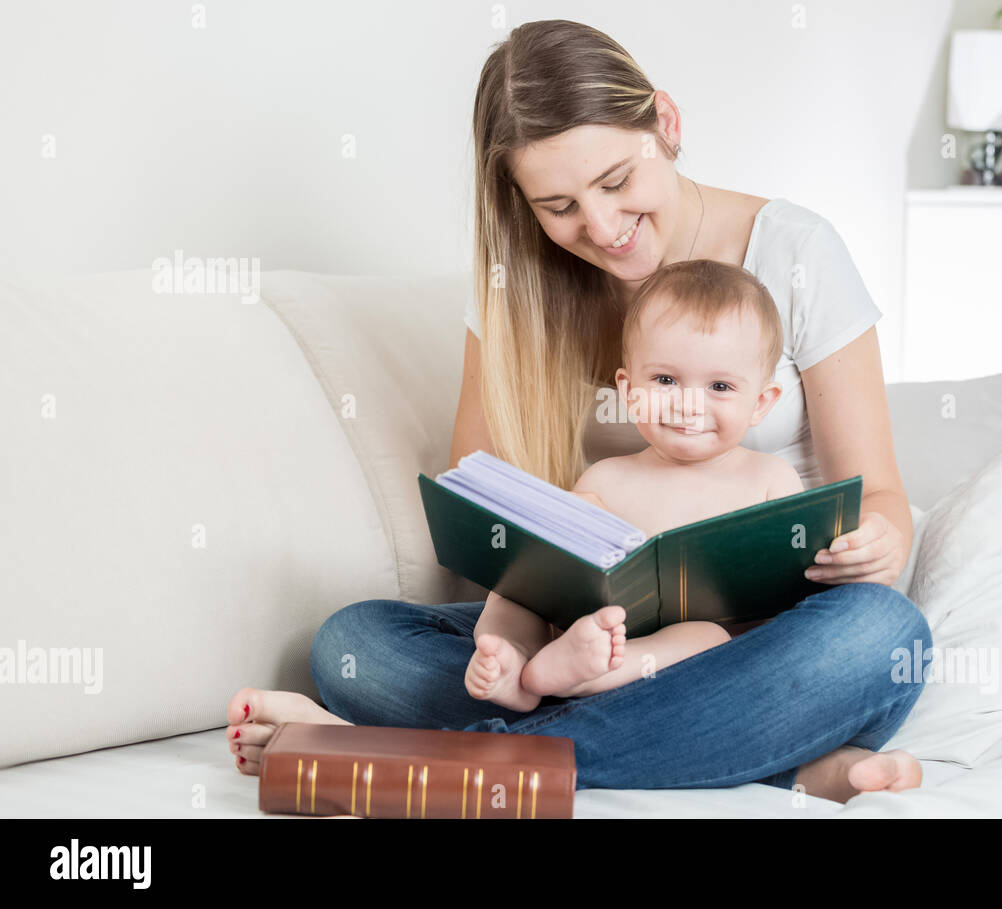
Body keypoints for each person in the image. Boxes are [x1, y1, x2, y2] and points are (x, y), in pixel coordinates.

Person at [226, 19, 932, 803]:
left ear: (664, 124)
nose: (600, 228)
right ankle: (779, 760)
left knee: (882, 635)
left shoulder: (796, 252)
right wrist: (553, 611)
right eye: (558, 205)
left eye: (615, 182)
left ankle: (397, 760)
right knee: (355, 642)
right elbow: (487, 516)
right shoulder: (519, 286)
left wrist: (876, 542)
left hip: (760, 647)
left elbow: (880, 499)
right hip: (584, 641)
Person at [464, 259, 805, 710]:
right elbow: (558, 576)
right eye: (665, 380)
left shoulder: (770, 480)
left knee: (706, 635)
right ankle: (512, 662)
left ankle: (585, 678)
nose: (687, 405)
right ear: (628, 390)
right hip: (592, 628)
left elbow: (795, 606)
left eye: (720, 386)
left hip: (689, 671)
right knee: (512, 587)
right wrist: (556, 533)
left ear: (761, 403)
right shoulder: (606, 477)